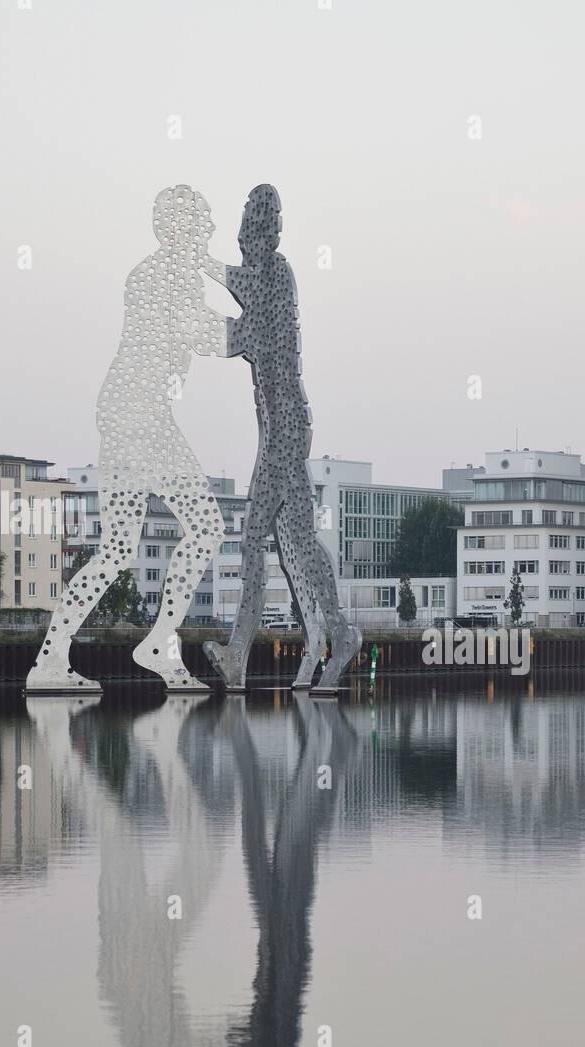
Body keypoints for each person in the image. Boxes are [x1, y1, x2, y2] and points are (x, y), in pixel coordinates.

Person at [27, 186, 232, 693]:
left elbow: (200, 329)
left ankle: (52, 659)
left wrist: (220, 276)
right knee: (206, 526)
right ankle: (159, 641)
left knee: (117, 550)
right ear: (180, 227)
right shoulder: (159, 276)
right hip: (141, 418)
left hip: (129, 414)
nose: (209, 229)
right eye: (202, 222)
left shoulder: (168, 273)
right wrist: (260, 328)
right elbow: (205, 335)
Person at [203, 184, 361, 695]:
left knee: (252, 537)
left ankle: (236, 655)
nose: (245, 231)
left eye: (250, 220)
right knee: (297, 542)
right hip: (281, 428)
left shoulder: (273, 272)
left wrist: (192, 262)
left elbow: (234, 307)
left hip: (285, 432)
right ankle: (338, 631)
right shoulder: (266, 282)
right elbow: (233, 336)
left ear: (259, 228)